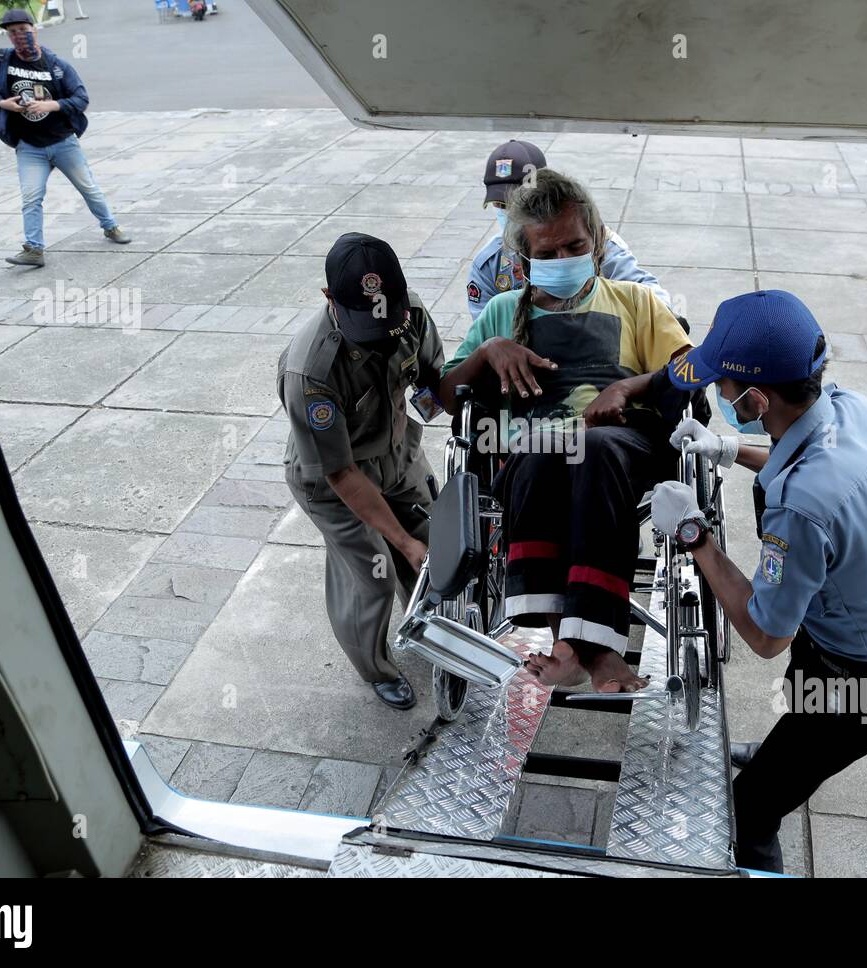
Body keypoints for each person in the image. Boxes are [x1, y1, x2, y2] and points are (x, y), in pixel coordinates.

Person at [651, 289, 867, 873]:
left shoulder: (801, 510)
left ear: (756, 397)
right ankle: (785, 756)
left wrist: (693, 535)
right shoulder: (853, 409)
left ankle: (774, 788)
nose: (717, 394)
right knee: (798, 721)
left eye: (722, 387)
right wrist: (728, 447)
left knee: (751, 809)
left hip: (865, 690)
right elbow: (798, 456)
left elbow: (765, 634)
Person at [440, 168, 692, 694]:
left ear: (596, 241)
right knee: (540, 447)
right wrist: (488, 352)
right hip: (536, 455)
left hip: (621, 445)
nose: (561, 261)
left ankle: (588, 652)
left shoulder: (637, 303)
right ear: (524, 257)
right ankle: (574, 644)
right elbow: (448, 399)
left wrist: (626, 389)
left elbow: (688, 370)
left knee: (591, 446)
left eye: (574, 246)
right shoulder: (503, 312)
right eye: (547, 252)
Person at [278, 233, 446, 710]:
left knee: (435, 545)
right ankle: (375, 668)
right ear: (329, 299)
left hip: (395, 450)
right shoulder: (311, 371)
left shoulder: (409, 313)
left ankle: (432, 632)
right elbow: (342, 475)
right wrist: (402, 543)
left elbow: (436, 380)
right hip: (334, 478)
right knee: (371, 574)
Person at [0, 9, 132, 267]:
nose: (18, 37)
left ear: (34, 30)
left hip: (63, 142)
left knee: (88, 188)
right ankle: (34, 250)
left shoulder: (56, 65)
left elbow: (81, 99)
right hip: (29, 147)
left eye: (23, 31)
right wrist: (3, 103)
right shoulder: (2, 60)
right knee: (31, 198)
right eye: (12, 33)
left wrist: (52, 106)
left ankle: (111, 226)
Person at [467, 140, 671, 319]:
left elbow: (655, 300)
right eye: (500, 205)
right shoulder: (489, 265)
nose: (509, 213)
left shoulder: (593, 244)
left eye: (518, 204)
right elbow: (485, 334)